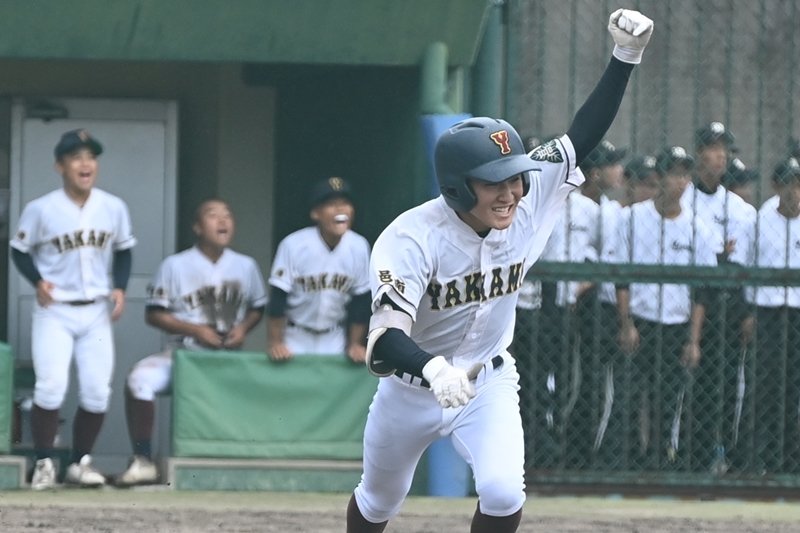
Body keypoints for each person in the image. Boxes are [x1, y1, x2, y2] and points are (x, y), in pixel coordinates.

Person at [346, 9, 653, 532]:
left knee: (504, 492)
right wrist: (434, 369)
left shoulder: (526, 204)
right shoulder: (411, 237)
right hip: (411, 389)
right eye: (496, 182)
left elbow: (581, 135)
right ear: (458, 186)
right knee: (378, 501)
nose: (512, 192)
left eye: (516, 179)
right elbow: (382, 342)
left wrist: (625, 57)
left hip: (488, 379)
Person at [10, 129, 136, 489]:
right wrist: (37, 280)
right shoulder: (42, 208)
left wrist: (121, 289)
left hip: (95, 310)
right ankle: (45, 462)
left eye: (91, 157)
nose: (86, 163)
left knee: (97, 391)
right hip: (55, 311)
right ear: (59, 166)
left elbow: (124, 249)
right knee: (51, 386)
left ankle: (80, 462)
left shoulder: (113, 206)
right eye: (76, 157)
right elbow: (19, 250)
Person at [118, 198, 266, 485]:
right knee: (138, 380)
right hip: (184, 352)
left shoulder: (246, 266)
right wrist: (195, 329)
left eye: (227, 215)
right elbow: (154, 313)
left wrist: (243, 328)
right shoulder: (175, 265)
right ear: (198, 227)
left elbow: (257, 308)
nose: (222, 221)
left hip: (229, 355)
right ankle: (143, 460)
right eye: (213, 215)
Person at [613, 146, 719, 470]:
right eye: (674, 173)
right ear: (659, 178)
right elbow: (621, 278)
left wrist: (693, 339)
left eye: (685, 174)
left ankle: (658, 462)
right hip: (641, 321)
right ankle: (624, 462)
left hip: (675, 324)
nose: (681, 181)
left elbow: (701, 292)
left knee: (667, 401)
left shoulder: (697, 228)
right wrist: (626, 322)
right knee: (628, 398)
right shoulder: (633, 218)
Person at [681, 121, 756, 473]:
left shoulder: (739, 208)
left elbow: (739, 262)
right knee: (687, 385)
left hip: (726, 307)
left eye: (724, 148)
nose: (720, 155)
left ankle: (721, 451)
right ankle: (686, 454)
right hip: (687, 306)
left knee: (726, 386)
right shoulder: (685, 199)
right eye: (712, 147)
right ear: (699, 154)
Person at [732, 156, 800, 474]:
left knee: (793, 389)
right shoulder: (760, 221)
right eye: (789, 184)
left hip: (797, 314)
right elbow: (744, 269)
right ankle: (754, 458)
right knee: (762, 387)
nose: (794, 191)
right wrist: (748, 313)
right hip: (767, 313)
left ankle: (789, 460)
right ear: (777, 186)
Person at [266, 177, 371, 362]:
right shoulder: (294, 245)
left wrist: (355, 343)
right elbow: (278, 298)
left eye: (345, 203)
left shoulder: (359, 246)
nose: (340, 210)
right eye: (331, 204)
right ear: (316, 213)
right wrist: (275, 342)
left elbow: (361, 301)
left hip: (334, 336)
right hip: (295, 336)